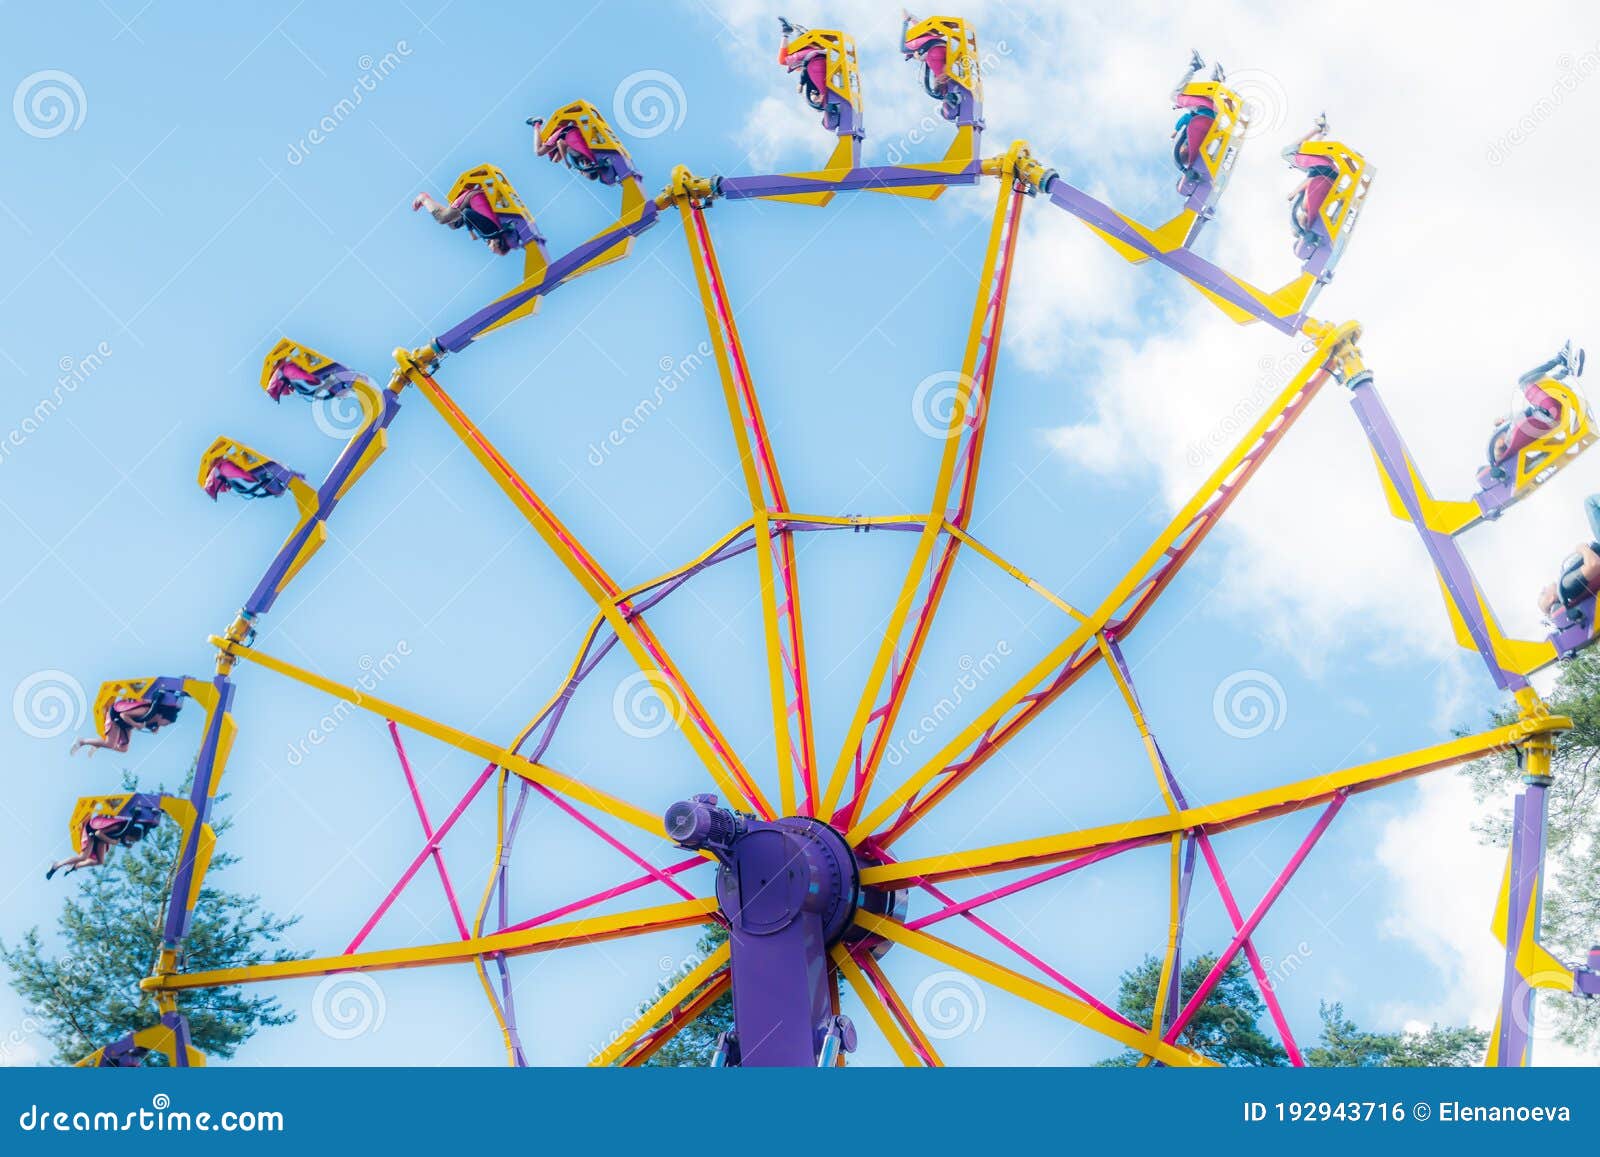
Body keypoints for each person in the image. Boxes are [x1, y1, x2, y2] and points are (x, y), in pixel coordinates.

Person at [1484, 343, 1584, 478]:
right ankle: (1560, 360)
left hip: (1548, 415)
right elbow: (1498, 446)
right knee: (1524, 381)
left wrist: (1503, 423)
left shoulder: (1514, 444)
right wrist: (1498, 433)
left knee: (1538, 384)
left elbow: (1516, 420)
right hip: (1546, 415)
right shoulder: (1502, 448)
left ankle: (1566, 370)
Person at [1538, 494, 1600, 620]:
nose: (1545, 587)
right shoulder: (1567, 586)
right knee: (1590, 503)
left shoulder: (1570, 592)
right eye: (1543, 592)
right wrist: (1582, 548)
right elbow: (1594, 564)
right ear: (1551, 599)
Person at [1283, 115, 1337, 248]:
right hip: (1324, 169)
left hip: (1328, 172)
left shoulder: (1316, 214)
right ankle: (1318, 129)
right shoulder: (1307, 208)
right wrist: (1295, 193)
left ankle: (1322, 132)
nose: (1299, 221)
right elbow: (1311, 182)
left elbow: (1312, 180)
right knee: (1287, 153)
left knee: (1306, 156)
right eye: (1299, 226)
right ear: (1304, 226)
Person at [1171, 51, 1224, 183]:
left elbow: (1192, 116)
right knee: (1174, 95)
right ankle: (1194, 66)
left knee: (1195, 97)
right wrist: (1176, 130)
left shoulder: (1199, 146)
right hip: (1206, 109)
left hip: (1213, 116)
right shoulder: (1189, 137)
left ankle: (1216, 79)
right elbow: (1186, 119)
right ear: (1183, 149)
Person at [412, 187, 514, 255]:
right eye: (496, 252)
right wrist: (471, 233)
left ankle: (439, 209)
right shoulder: (489, 232)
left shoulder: (494, 232)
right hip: (471, 199)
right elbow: (467, 213)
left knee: (453, 224)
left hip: (475, 201)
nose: (492, 252)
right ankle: (423, 198)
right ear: (498, 244)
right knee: (441, 218)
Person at [46, 814, 148, 879]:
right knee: (83, 857)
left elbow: (118, 838)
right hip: (93, 831)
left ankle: (74, 866)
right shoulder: (118, 826)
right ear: (131, 834)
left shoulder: (123, 833)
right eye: (131, 840)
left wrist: (126, 844)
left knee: (100, 861)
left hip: (101, 839)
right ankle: (56, 865)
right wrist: (112, 841)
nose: (129, 841)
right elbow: (99, 833)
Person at [70, 697, 179, 756]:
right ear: (162, 716)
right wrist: (136, 724)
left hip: (126, 723)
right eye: (166, 723)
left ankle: (99, 743)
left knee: (123, 749)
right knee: (110, 744)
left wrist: (153, 728)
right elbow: (123, 714)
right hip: (117, 715)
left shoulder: (155, 720)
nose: (165, 725)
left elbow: (149, 724)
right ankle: (82, 741)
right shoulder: (145, 711)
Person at [901, 10, 959, 120]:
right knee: (903, 48)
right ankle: (906, 21)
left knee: (923, 35)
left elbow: (926, 58)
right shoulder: (945, 80)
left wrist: (915, 56)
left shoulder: (934, 67)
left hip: (937, 44)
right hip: (936, 45)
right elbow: (948, 70)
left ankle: (911, 18)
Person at [778, 17, 830, 119]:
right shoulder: (823, 90)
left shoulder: (819, 87)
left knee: (793, 61)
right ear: (820, 101)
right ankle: (787, 33)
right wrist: (801, 83)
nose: (813, 98)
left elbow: (809, 72)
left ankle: (802, 35)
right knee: (783, 60)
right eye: (815, 100)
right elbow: (808, 71)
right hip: (814, 56)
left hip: (814, 56)